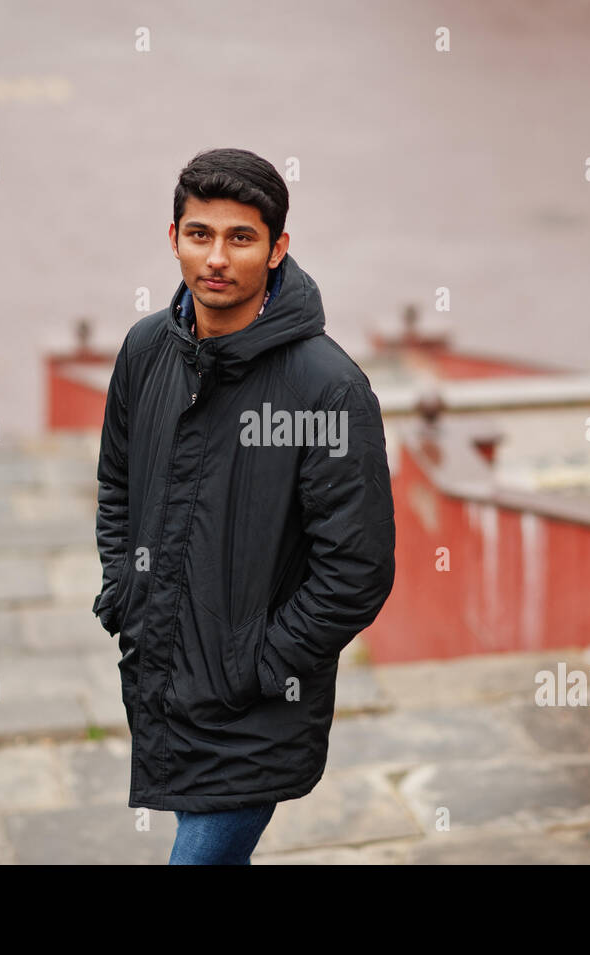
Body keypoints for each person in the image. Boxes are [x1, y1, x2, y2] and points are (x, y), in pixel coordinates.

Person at [91, 147, 396, 865]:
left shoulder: (328, 388)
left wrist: (257, 661)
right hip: (161, 675)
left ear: (278, 248)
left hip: (256, 708)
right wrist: (125, 588)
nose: (216, 257)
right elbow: (116, 485)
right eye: (199, 234)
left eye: (241, 237)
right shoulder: (145, 351)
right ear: (173, 239)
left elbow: (357, 570)